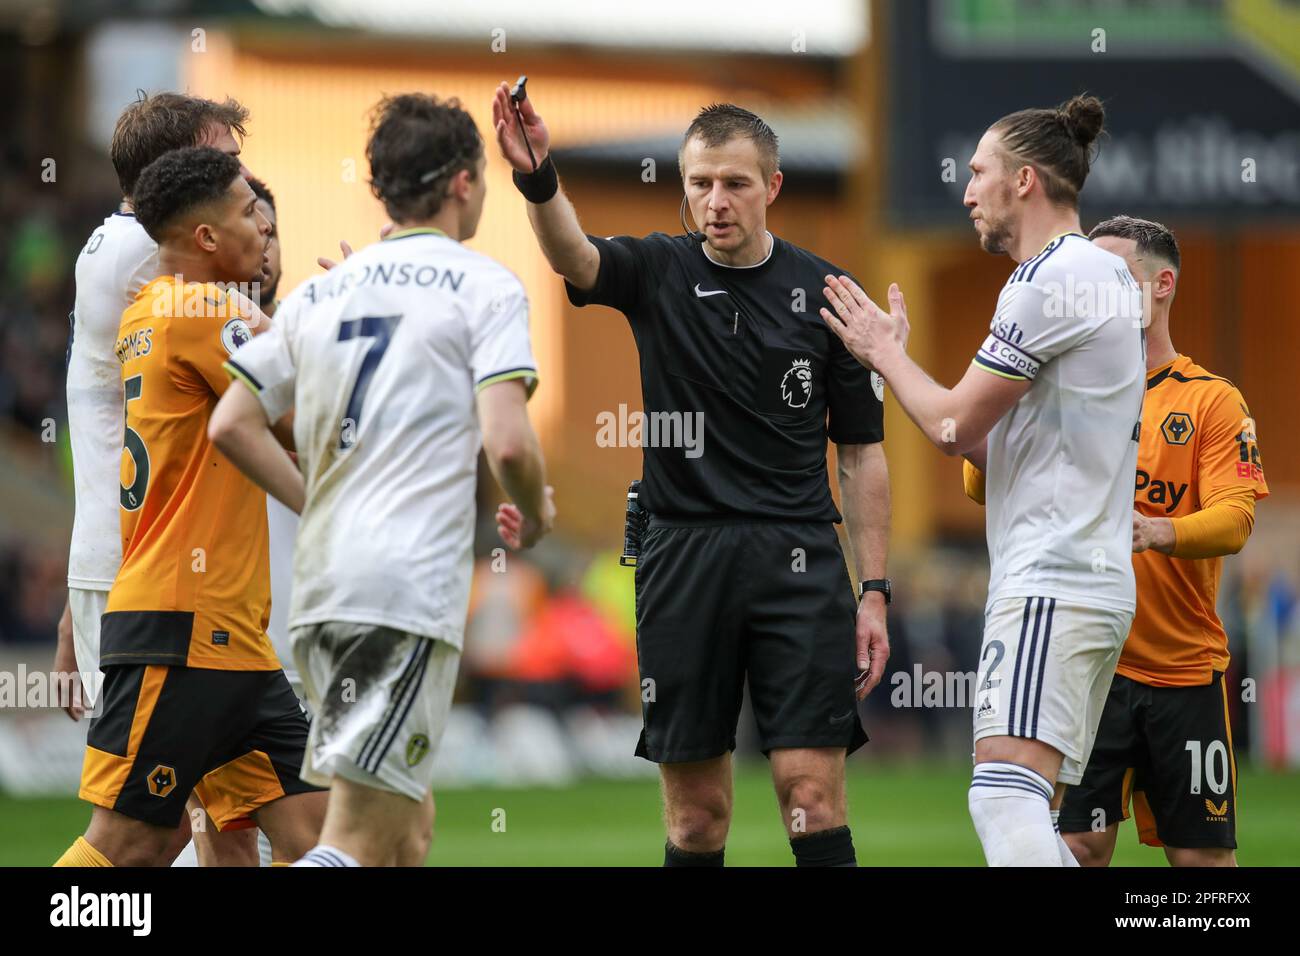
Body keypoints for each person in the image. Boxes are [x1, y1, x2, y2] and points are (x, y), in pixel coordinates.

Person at [494, 86, 890, 867]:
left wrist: (873, 591)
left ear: (771, 187)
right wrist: (539, 176)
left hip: (799, 556)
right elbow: (574, 255)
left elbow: (861, 453)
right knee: (697, 816)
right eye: (700, 183)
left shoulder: (831, 295)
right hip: (683, 557)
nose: (715, 201)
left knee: (810, 797)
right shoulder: (657, 270)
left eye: (735, 184)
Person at [209, 93, 553, 867]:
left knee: (406, 832)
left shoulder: (324, 294)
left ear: (381, 189)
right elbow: (510, 442)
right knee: (359, 841)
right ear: (466, 182)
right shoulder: (484, 286)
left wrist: (317, 500)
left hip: (325, 592)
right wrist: (535, 513)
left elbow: (232, 421)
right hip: (400, 595)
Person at [820, 95, 1145, 866]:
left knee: (1001, 797)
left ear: (1024, 181)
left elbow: (951, 426)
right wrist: (906, 370)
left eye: (978, 173)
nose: (965, 191)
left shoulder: (1047, 282)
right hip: (1087, 582)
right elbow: (1004, 451)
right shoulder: (1102, 278)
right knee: (1042, 816)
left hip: (1050, 581)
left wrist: (882, 352)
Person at [54, 147, 326, 867]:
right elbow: (305, 422)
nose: (263, 230)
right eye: (248, 215)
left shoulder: (151, 311)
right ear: (206, 238)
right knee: (131, 845)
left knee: (318, 843)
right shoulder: (208, 309)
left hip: (231, 637)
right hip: (184, 631)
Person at [1047, 216, 1265, 866]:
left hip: (1182, 673)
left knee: (1200, 862)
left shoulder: (1211, 402)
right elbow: (981, 482)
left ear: (1160, 285)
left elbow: (1235, 521)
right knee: (1075, 847)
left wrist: (1156, 531)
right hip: (1088, 668)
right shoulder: (1064, 388)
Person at [247, 175, 307, 868]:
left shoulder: (313, 331)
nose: (262, 248)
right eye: (250, 230)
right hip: (222, 642)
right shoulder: (187, 332)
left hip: (308, 639)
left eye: (272, 233)